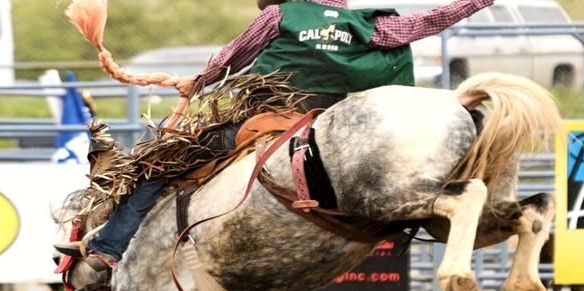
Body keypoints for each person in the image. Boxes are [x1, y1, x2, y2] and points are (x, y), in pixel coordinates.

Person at [58, 0, 499, 265]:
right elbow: (427, 22)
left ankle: (109, 251)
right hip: (328, 117)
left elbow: (234, 55)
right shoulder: (367, 25)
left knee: (158, 164)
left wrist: (199, 81)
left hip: (272, 114)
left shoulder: (281, 16)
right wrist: (476, 1)